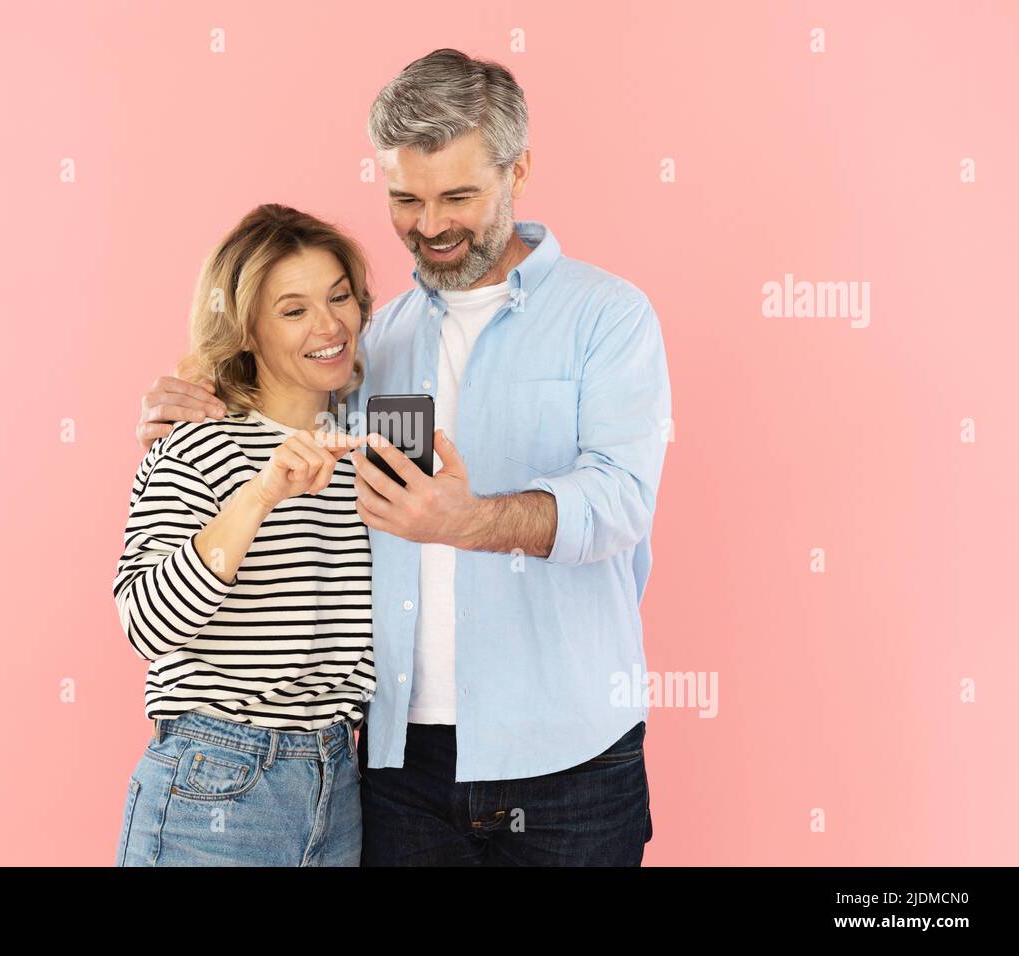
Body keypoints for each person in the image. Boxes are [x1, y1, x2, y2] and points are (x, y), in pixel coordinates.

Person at [134, 49, 672, 866]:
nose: (430, 225)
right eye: (405, 199)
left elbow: (623, 499)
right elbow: (270, 394)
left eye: (458, 195)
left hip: (570, 759)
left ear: (518, 169)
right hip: (398, 766)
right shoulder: (372, 342)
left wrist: (473, 520)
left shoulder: (609, 317)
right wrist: (190, 391)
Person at [113, 204, 377, 866]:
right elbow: (146, 624)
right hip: (217, 781)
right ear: (247, 331)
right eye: (293, 310)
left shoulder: (369, 452)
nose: (329, 324)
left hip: (340, 783)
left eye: (339, 296)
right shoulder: (196, 447)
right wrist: (259, 494)